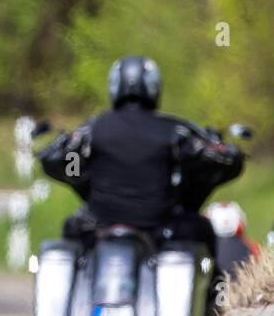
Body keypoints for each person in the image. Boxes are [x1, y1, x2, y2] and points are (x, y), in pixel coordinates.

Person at [39, 55, 244, 254]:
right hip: (161, 230)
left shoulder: (93, 129)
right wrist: (228, 151)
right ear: (154, 88)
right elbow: (218, 156)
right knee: (202, 228)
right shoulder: (174, 130)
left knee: (71, 227)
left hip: (98, 226)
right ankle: (219, 289)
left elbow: (56, 157)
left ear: (114, 86)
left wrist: (80, 180)